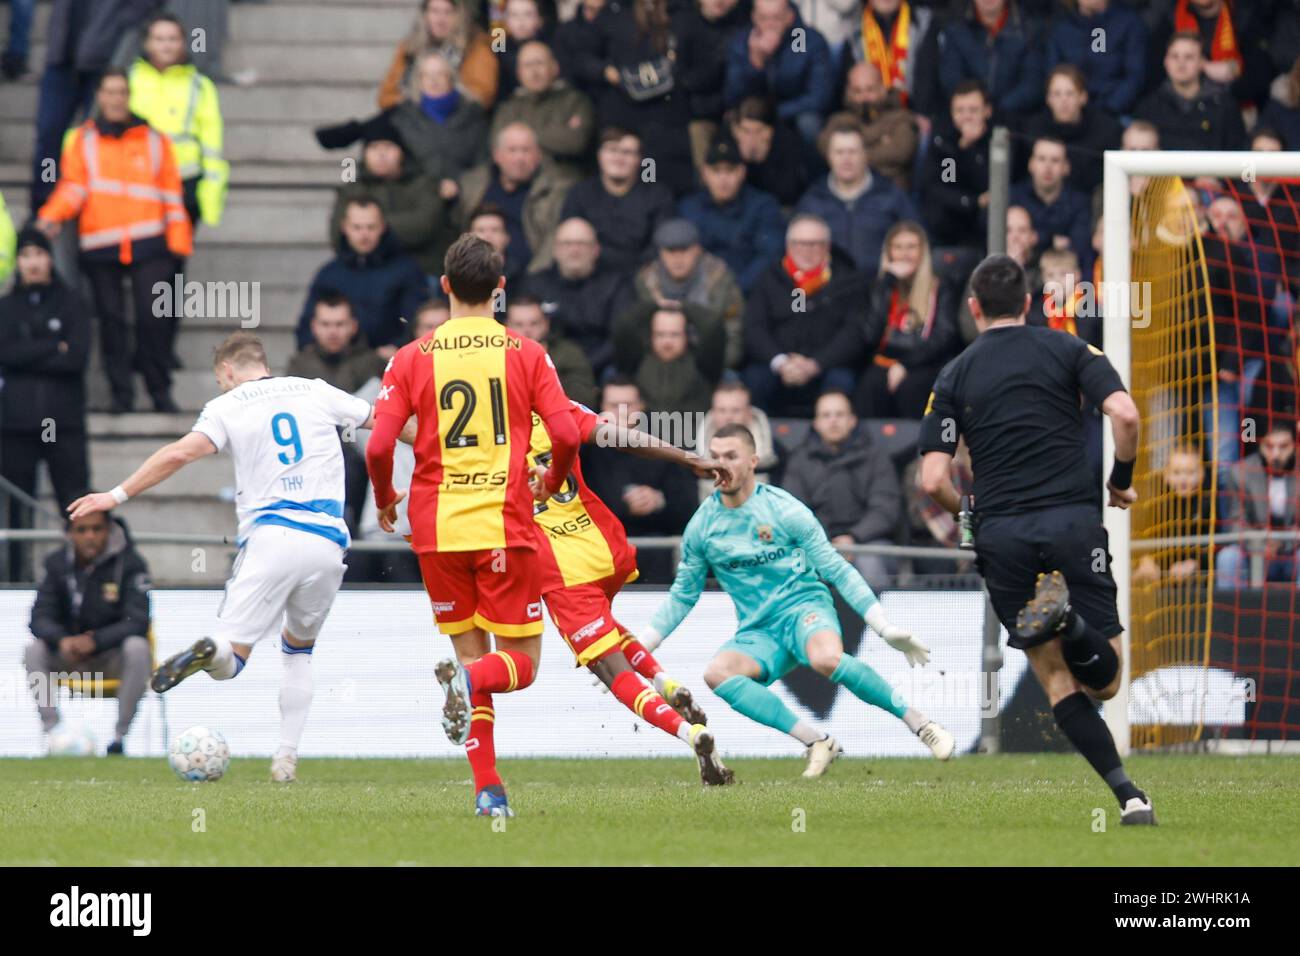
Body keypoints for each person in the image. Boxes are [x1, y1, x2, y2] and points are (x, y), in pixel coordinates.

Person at [67, 332, 395, 783]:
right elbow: (387, 422)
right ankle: (286, 758)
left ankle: (213, 649)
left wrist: (116, 494)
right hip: (326, 542)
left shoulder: (228, 405)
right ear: (262, 363)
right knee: (298, 651)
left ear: (226, 372)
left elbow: (182, 452)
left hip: (272, 538)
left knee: (231, 661)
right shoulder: (316, 390)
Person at [918, 253, 1155, 825]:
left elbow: (932, 480)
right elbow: (1124, 414)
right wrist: (1120, 483)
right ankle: (1072, 621)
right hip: (1073, 524)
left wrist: (970, 516)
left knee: (1054, 678)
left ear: (974, 308)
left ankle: (1130, 797)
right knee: (1107, 680)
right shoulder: (1071, 349)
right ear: (1028, 302)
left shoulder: (953, 375)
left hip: (1002, 535)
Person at [364, 234, 582, 818]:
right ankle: (468, 688)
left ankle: (489, 791)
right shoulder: (526, 353)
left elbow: (380, 443)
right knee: (521, 666)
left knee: (471, 660)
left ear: (444, 287)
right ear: (501, 289)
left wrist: (386, 499)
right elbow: (564, 434)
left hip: (436, 531)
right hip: (505, 527)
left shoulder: (412, 357)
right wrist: (552, 479)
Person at [639, 422, 954, 776]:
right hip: (760, 630)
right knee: (717, 674)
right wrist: (642, 647)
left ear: (753, 461)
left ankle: (921, 724)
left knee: (826, 659)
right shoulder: (702, 526)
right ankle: (816, 740)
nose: (720, 464)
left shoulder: (785, 510)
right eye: (714, 457)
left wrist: (883, 626)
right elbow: (683, 595)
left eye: (731, 456)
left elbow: (837, 569)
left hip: (805, 609)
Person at [521, 397, 737, 785]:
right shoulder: (555, 406)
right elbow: (619, 436)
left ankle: (691, 734)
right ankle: (664, 681)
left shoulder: (482, 434)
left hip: (563, 569)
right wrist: (688, 458)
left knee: (608, 669)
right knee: (604, 627)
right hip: (605, 548)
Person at [36, 69, 191, 414]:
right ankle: (121, 395)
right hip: (101, 244)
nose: (116, 99)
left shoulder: (154, 139)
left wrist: (178, 244)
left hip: (149, 241)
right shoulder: (83, 140)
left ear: (129, 95)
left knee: (153, 319)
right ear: (100, 97)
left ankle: (159, 389)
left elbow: (171, 194)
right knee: (111, 321)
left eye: (121, 92)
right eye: (109, 92)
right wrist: (50, 216)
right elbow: (73, 187)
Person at [0, 227, 92, 580]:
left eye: (39, 254)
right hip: (16, 425)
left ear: (50, 259)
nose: (33, 262)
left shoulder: (72, 302)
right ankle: (14, 577)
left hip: (63, 423)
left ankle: (83, 576)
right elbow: (4, 352)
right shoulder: (6, 307)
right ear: (17, 261)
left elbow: (77, 358)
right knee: (16, 509)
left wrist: (23, 356)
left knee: (76, 503)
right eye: (26, 255)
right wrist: (53, 347)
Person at [26, 510, 152, 755]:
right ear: (70, 533)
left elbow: (138, 621)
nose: (90, 536)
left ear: (108, 529)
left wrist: (96, 641)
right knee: (33, 651)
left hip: (111, 657)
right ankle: (55, 734)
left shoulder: (131, 563)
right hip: (69, 656)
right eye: (81, 530)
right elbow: (38, 617)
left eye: (96, 529)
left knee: (138, 647)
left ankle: (119, 739)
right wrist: (62, 640)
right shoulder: (55, 563)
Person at [29, 0, 165, 209]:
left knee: (95, 140)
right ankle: (44, 203)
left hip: (102, 60)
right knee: (50, 135)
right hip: (62, 56)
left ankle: (91, 208)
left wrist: (121, 21)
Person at [741, 213, 866, 416]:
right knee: (753, 380)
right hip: (779, 367)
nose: (807, 251)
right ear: (788, 246)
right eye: (800, 244)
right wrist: (781, 363)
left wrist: (816, 364)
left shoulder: (847, 281)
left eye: (815, 244)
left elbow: (853, 333)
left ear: (827, 247)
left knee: (843, 381)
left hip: (826, 365)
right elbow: (754, 328)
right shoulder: (769, 278)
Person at [782, 390, 902, 593]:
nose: (833, 421)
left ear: (852, 420)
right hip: (817, 543)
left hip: (866, 542)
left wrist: (853, 539)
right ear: (816, 423)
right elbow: (793, 512)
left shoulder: (876, 457)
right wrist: (825, 543)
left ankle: (877, 625)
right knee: (795, 562)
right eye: (826, 415)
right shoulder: (800, 460)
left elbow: (885, 509)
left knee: (871, 561)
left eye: (839, 414)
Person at [580, 377, 698, 582]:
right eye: (613, 405)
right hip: (599, 550)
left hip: (658, 551)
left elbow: (689, 507)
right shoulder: (585, 451)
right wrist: (622, 505)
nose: (622, 412)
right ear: (600, 407)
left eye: (629, 405)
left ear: (642, 405)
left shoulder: (666, 444)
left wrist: (661, 501)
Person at [128, 13, 228, 232]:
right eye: (159, 39)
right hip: (140, 178)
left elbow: (212, 139)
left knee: (175, 258)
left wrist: (210, 191)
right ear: (147, 43)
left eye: (172, 39)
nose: (166, 45)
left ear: (183, 43)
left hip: (185, 178)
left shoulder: (199, 85)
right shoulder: (130, 81)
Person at [296, 196, 428, 354]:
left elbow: (416, 322)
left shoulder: (407, 271)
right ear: (345, 227)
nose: (364, 234)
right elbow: (306, 330)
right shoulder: (329, 275)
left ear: (383, 227)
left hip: (389, 362)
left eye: (371, 227)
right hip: (338, 365)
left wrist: (398, 348)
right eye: (357, 227)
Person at [858, 221, 961, 419]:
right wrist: (887, 284)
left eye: (912, 247)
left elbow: (944, 336)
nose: (905, 254)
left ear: (923, 251)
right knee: (869, 387)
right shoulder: (878, 286)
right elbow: (870, 335)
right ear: (888, 252)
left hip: (925, 362)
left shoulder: (941, 286)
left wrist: (906, 364)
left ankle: (917, 448)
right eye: (898, 247)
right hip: (884, 360)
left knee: (911, 389)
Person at [795, 114, 918, 275]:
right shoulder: (813, 201)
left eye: (852, 151)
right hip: (828, 291)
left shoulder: (891, 196)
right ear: (828, 156)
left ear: (865, 154)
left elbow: (919, 240)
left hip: (880, 290)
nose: (846, 159)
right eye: (839, 152)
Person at [325, 116, 449, 276]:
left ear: (401, 152)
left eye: (388, 147)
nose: (381, 154)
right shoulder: (351, 190)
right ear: (365, 153)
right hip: (363, 271)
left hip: (420, 271)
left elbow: (424, 225)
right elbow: (338, 234)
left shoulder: (423, 184)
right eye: (374, 147)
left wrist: (368, 225)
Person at [455, 122, 578, 275]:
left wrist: (534, 279)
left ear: (538, 155)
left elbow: (552, 242)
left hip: (531, 277)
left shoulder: (555, 191)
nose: (519, 158)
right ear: (496, 155)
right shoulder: (472, 186)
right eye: (512, 150)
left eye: (526, 150)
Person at [521, 216, 633, 375]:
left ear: (596, 250)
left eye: (582, 244)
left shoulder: (615, 285)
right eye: (567, 244)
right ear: (555, 250)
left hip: (599, 367)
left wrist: (582, 368)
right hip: (544, 366)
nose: (574, 250)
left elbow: (618, 340)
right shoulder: (535, 284)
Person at [677, 133, 786, 295]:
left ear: (742, 172)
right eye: (716, 171)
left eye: (730, 171)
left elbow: (769, 255)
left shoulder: (763, 205)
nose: (723, 179)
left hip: (751, 293)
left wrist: (734, 290)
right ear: (705, 173)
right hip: (699, 295)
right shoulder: (689, 207)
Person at [559, 126, 675, 275]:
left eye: (627, 152)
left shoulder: (658, 195)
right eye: (612, 150)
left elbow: (661, 243)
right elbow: (569, 237)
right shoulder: (579, 194)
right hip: (590, 275)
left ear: (639, 159)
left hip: (642, 276)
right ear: (599, 155)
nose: (619, 158)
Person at [634, 217, 745, 370]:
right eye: (670, 251)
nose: (678, 259)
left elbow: (733, 334)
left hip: (708, 364)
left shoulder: (720, 279)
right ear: (660, 253)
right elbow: (639, 333)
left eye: (684, 250)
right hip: (658, 364)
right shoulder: (646, 281)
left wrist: (709, 365)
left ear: (697, 250)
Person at [724, 0, 835, 147]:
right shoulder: (742, 41)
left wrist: (778, 112)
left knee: (809, 122)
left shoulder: (804, 38)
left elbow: (819, 97)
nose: (770, 24)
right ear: (754, 17)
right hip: (754, 112)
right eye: (764, 18)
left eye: (776, 18)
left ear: (789, 16)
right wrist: (756, 63)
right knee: (731, 121)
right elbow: (732, 96)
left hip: (795, 111)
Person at [489, 40, 594, 178]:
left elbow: (577, 142)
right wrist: (553, 136)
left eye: (539, 63)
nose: (534, 72)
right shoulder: (508, 107)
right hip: (517, 181)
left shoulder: (575, 101)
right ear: (518, 73)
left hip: (560, 182)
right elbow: (497, 146)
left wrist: (520, 140)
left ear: (555, 68)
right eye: (527, 66)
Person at [1217, 419, 1300, 588]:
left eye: (1283, 447)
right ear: (1260, 445)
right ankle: (1232, 615)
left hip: (1294, 551)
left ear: (1295, 446)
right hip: (1255, 550)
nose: (1276, 454)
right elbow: (1235, 523)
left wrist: (1285, 542)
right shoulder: (1241, 472)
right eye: (1269, 447)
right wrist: (1260, 544)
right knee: (1228, 557)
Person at [1133, 31, 1248, 153]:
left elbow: (1238, 155)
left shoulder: (1225, 106)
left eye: (1189, 57)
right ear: (1165, 61)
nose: (1180, 63)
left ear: (1202, 63)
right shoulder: (1149, 107)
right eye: (1174, 56)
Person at [378, 0, 499, 110]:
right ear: (425, 15)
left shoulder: (476, 47)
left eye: (448, 12)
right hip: (409, 117)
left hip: (456, 120)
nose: (440, 20)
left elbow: (482, 96)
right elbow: (386, 97)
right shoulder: (409, 48)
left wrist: (439, 99)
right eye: (434, 11)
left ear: (460, 16)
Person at [1021, 64, 1121, 197]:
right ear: (1048, 99)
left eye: (1070, 93)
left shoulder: (1107, 130)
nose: (1063, 100)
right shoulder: (1032, 129)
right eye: (1056, 94)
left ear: (1083, 97)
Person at [936, 0, 1043, 121]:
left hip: (1016, 120)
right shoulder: (955, 29)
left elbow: (1032, 82)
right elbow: (951, 77)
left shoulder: (1028, 29)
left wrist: (996, 110)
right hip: (965, 119)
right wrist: (974, 108)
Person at [612, 302, 726, 414]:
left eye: (674, 334)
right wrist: (654, 305)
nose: (667, 342)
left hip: (690, 430)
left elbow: (713, 326)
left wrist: (682, 306)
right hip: (645, 430)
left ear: (686, 336)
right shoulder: (636, 361)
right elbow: (624, 325)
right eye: (660, 334)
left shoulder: (703, 363)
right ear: (651, 335)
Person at [920, 80, 992, 251]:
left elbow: (988, 182)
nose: (966, 116)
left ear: (987, 111)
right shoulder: (944, 141)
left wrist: (973, 150)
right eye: (959, 110)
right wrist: (964, 149)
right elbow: (947, 183)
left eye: (973, 110)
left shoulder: (998, 139)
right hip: (953, 223)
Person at [1044, 0, 1148, 116]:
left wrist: (1109, 108)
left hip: (1113, 113)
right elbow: (1052, 75)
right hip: (1069, 111)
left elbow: (1134, 77)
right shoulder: (1061, 27)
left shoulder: (1129, 23)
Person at [1008, 137, 1094, 275]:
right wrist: (1051, 240)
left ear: (1066, 167)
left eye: (1055, 160)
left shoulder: (1080, 202)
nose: (1048, 167)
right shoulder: (1012, 196)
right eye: (1041, 159)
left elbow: (1079, 246)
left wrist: (1035, 239)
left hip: (1062, 277)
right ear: (1031, 164)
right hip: (1020, 269)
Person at [504, 293, 598, 408]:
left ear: (546, 324)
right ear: (507, 326)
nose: (527, 330)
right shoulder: (497, 356)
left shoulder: (569, 354)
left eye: (534, 323)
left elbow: (584, 400)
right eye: (519, 324)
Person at [838, 61, 919, 193]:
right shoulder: (840, 120)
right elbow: (825, 146)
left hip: (889, 193)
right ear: (849, 93)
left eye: (870, 89)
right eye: (857, 91)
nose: (864, 97)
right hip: (846, 194)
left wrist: (850, 154)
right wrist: (881, 143)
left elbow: (901, 152)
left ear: (882, 89)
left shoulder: (901, 117)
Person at [287, 293, 387, 394]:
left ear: (354, 326)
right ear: (314, 327)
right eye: (325, 324)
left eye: (340, 324)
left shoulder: (373, 364)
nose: (333, 332)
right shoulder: (300, 365)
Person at [726, 95, 808, 206]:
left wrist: (762, 161)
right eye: (746, 130)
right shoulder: (731, 140)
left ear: (770, 130)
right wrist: (742, 161)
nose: (751, 137)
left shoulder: (787, 142)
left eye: (758, 130)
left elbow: (788, 192)